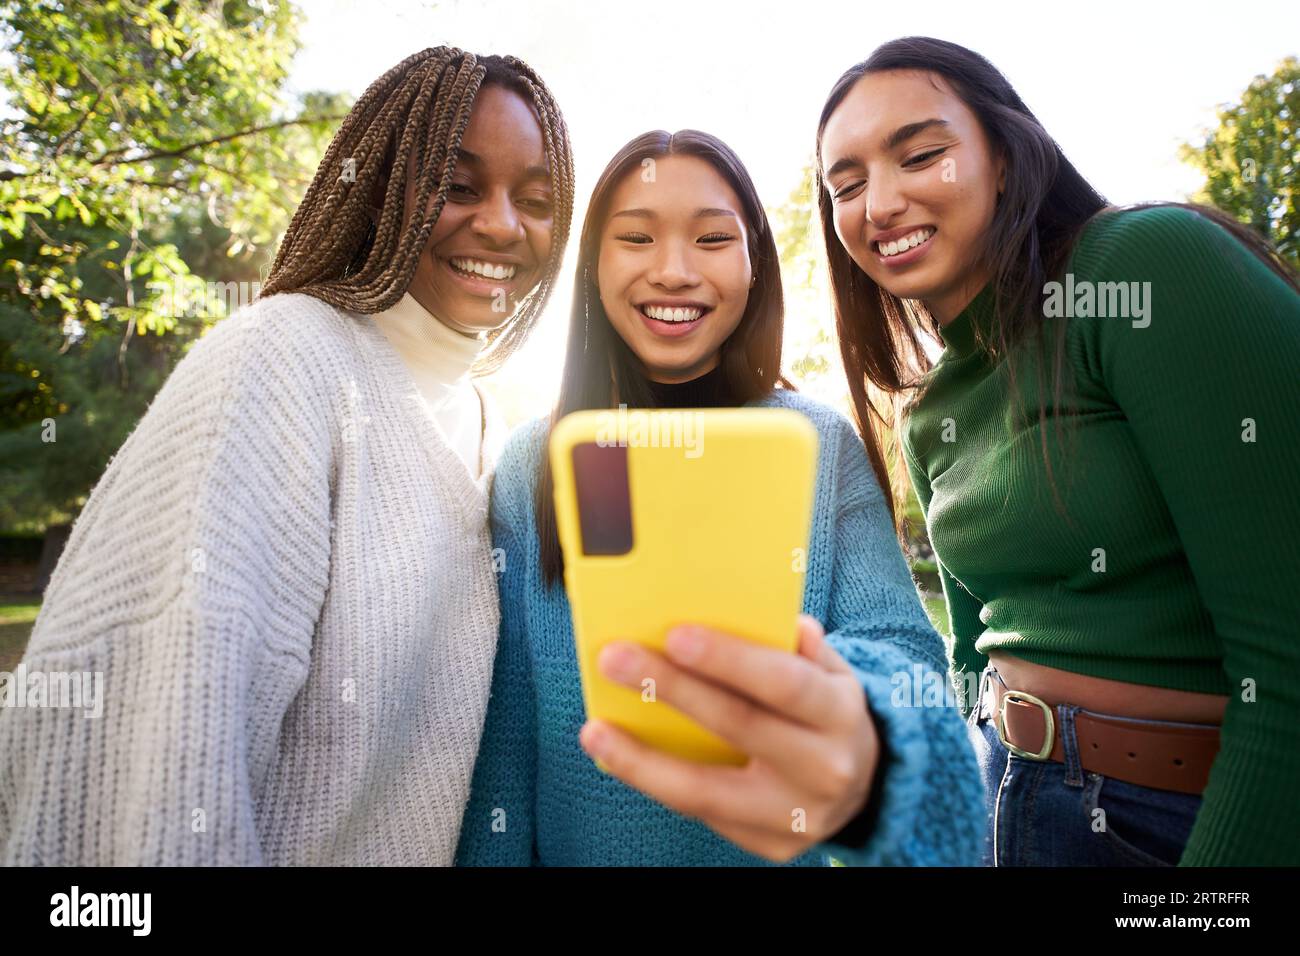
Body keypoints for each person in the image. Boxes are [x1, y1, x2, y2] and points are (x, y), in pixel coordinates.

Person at [0, 47, 574, 865]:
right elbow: (174, 732)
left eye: (538, 199)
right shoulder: (282, 358)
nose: (501, 224)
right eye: (455, 185)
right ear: (377, 188)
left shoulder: (502, 429)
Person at [816, 36, 1300, 865]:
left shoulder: (1145, 269)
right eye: (846, 184)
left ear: (1005, 159)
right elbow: (977, 656)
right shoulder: (933, 414)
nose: (880, 203)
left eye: (921, 155)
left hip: (1180, 822)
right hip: (1014, 804)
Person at [456, 129, 983, 866]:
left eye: (711, 239)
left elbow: (906, 659)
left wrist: (861, 724)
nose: (673, 272)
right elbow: (506, 737)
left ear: (754, 263)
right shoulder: (532, 464)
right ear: (594, 267)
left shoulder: (820, 446)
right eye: (636, 238)